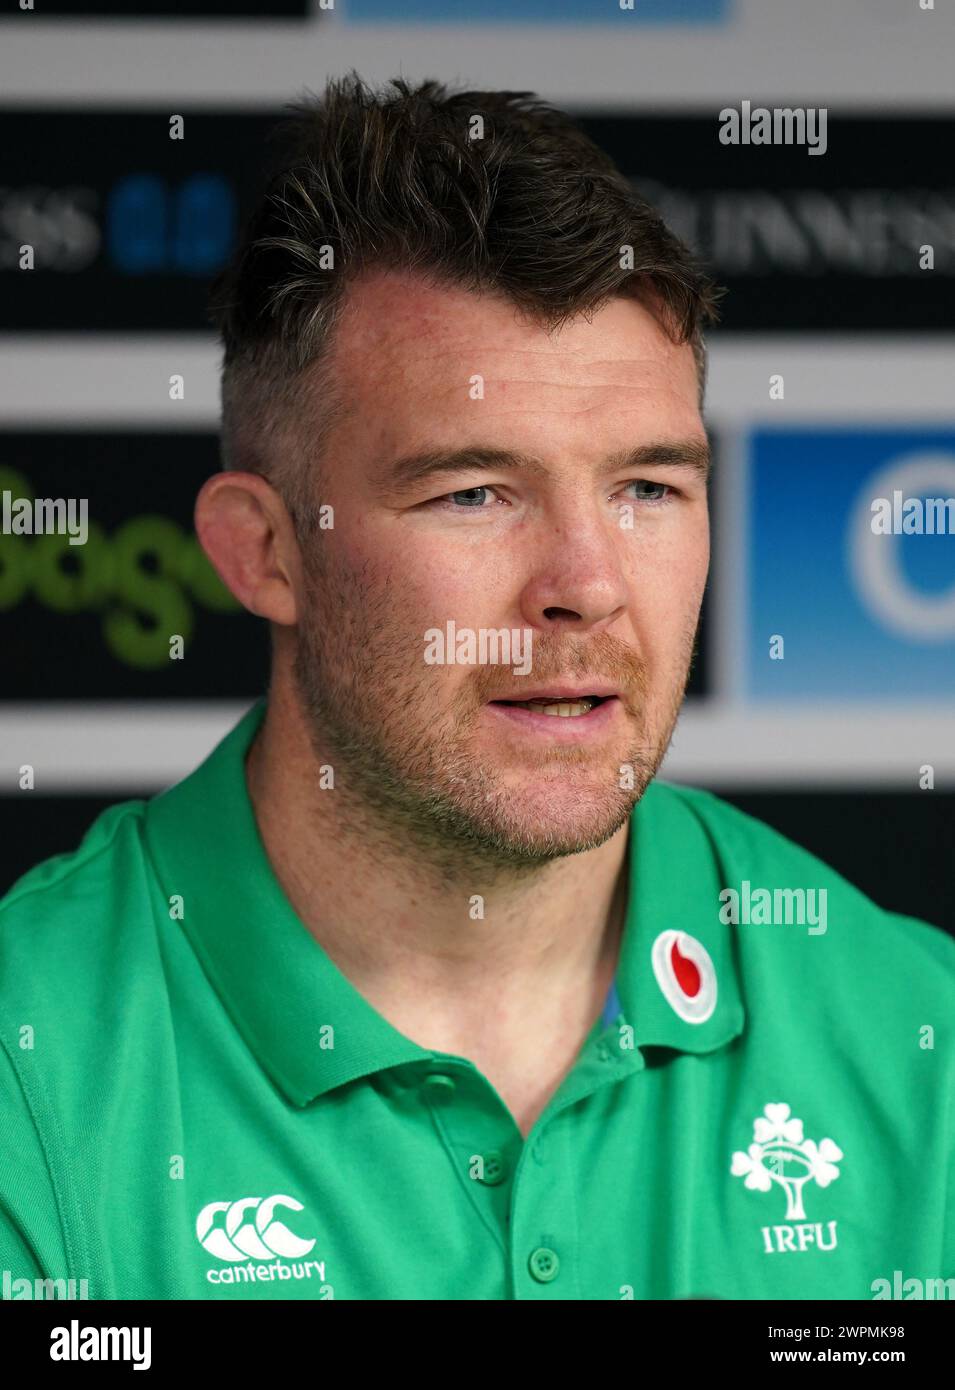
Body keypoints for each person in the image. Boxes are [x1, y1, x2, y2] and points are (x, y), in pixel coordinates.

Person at [1, 74, 952, 1302]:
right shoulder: (30, 1071)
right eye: (473, 494)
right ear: (266, 551)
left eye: (647, 488)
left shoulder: (916, 1039)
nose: (586, 586)